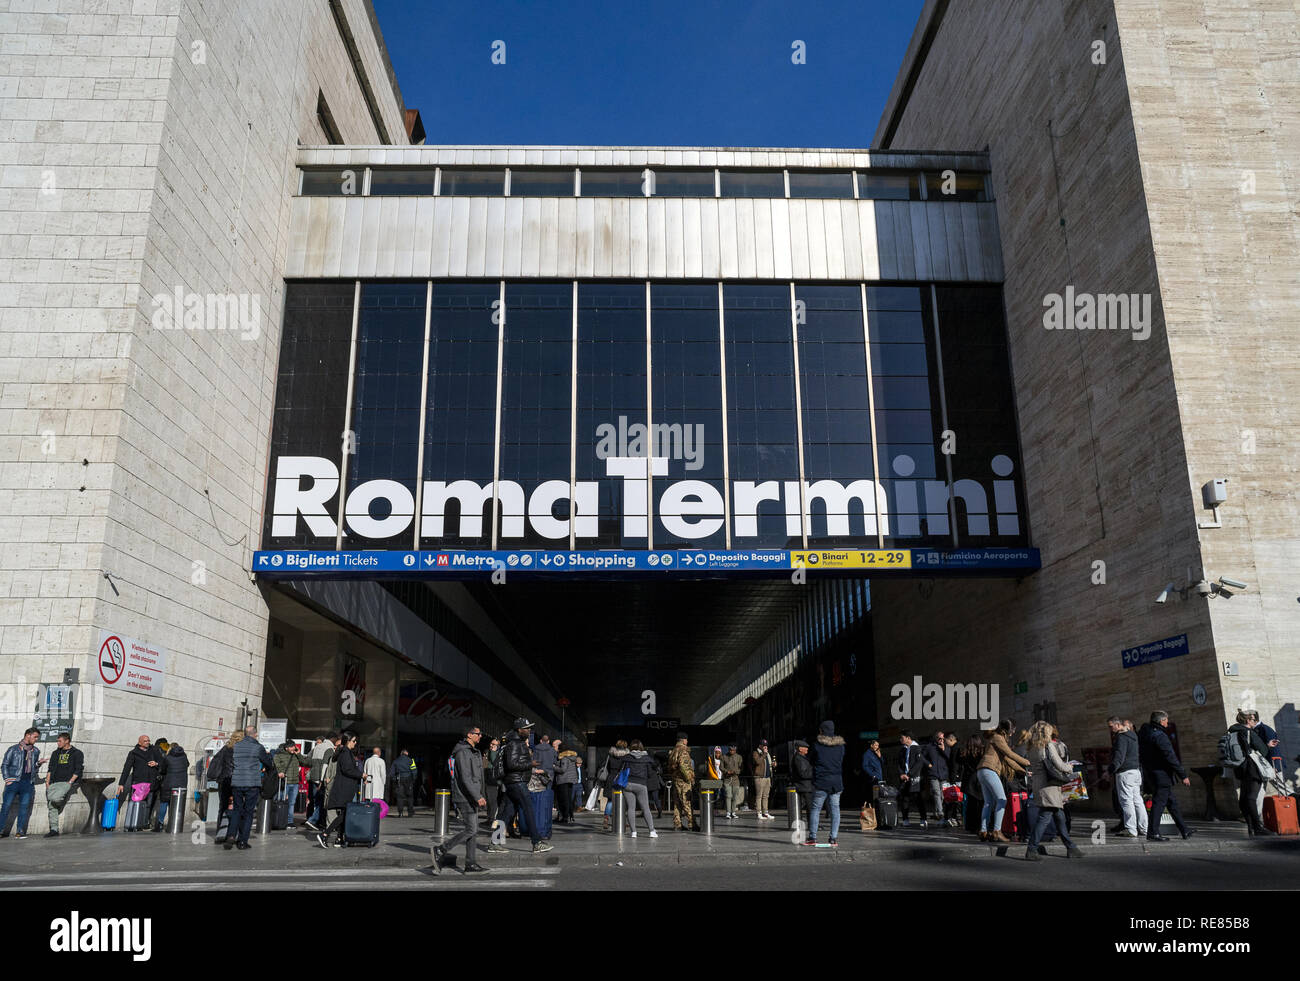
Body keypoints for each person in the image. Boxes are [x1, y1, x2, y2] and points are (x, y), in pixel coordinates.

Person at [432, 724, 489, 875]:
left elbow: (477, 777)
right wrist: (477, 796)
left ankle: (470, 864)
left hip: (472, 795)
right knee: (471, 829)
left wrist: (480, 794)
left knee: (473, 831)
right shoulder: (463, 752)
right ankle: (441, 849)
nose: (480, 736)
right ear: (470, 735)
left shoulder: (473, 751)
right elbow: (465, 778)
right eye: (478, 733)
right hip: (465, 796)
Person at [1024, 721, 1081, 860]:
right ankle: (1031, 849)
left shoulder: (1031, 747)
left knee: (1059, 815)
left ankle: (1071, 847)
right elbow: (1058, 764)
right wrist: (1070, 767)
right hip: (1049, 785)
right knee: (1044, 817)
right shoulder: (1048, 745)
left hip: (1039, 784)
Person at [1138, 710, 1193, 842]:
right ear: (1161, 721)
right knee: (1159, 803)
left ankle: (1184, 829)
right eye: (1166, 720)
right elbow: (1170, 756)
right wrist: (1183, 775)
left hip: (1151, 772)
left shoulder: (1144, 733)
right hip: (1162, 774)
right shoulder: (1160, 736)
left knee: (1171, 802)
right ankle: (1153, 832)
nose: (1167, 723)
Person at [502, 718, 551, 853]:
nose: (529, 730)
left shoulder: (517, 742)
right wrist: (531, 764)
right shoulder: (515, 743)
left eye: (530, 728)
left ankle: (494, 842)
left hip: (515, 782)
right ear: (519, 730)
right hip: (518, 782)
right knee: (528, 810)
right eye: (527, 728)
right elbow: (512, 764)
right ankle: (536, 842)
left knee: (507, 813)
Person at [976, 719, 1028, 843]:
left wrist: (1024, 771)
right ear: (1009, 729)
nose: (1013, 732)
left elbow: (1007, 759)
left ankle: (983, 831)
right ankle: (996, 831)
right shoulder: (998, 737)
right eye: (1013, 730)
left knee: (988, 803)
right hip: (989, 770)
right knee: (1002, 800)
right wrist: (1027, 762)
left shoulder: (996, 738)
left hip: (982, 770)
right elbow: (1010, 754)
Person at [1225, 710, 1273, 836]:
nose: (1254, 722)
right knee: (1251, 797)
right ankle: (1258, 827)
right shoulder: (1248, 732)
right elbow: (1263, 750)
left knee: (1244, 798)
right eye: (1253, 720)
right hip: (1252, 767)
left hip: (1240, 767)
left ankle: (1250, 827)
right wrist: (1267, 745)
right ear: (1248, 721)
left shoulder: (1233, 731)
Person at [227, 726, 274, 851]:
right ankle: (242, 841)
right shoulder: (258, 747)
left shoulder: (236, 746)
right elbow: (268, 763)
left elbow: (232, 763)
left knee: (237, 810)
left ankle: (231, 835)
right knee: (248, 813)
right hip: (252, 783)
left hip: (237, 782)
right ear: (255, 734)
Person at [318, 731, 362, 848]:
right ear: (348, 741)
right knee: (345, 813)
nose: (355, 743)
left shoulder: (345, 752)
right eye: (353, 741)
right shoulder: (346, 753)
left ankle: (339, 838)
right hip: (344, 788)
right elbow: (348, 770)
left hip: (345, 787)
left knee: (344, 813)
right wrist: (361, 775)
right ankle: (325, 834)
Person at [806, 720, 845, 846]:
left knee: (816, 809)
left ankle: (813, 837)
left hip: (821, 781)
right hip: (836, 782)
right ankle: (833, 838)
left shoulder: (817, 745)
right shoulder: (841, 746)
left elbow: (810, 760)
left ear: (821, 731)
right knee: (835, 809)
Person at [1106, 717, 1146, 838]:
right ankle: (1144, 828)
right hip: (1135, 771)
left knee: (1126, 801)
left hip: (1125, 773)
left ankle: (1131, 829)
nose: (1110, 729)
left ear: (1117, 725)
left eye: (1111, 726)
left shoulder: (1121, 737)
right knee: (1138, 801)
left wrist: (1110, 770)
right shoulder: (1133, 736)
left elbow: (1119, 757)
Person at [0, 728, 43, 839]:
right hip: (14, 782)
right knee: (6, 806)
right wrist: (7, 778)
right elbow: (5, 764)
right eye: (35, 737)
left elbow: (33, 767)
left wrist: (38, 763)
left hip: (27, 783)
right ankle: (1, 830)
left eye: (37, 737)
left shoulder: (36, 751)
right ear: (28, 735)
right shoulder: (13, 749)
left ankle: (20, 832)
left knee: (24, 808)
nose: (36, 739)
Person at [116, 734, 164, 831]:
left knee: (148, 804)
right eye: (145, 741)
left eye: (148, 741)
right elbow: (126, 769)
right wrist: (121, 784)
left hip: (151, 782)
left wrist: (156, 763)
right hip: (139, 783)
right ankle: (133, 823)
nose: (147, 742)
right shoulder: (133, 753)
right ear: (140, 742)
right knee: (135, 803)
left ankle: (144, 823)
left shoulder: (154, 751)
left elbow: (162, 762)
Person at [43, 732, 83, 838]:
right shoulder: (55, 753)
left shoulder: (76, 753)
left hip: (66, 782)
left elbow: (78, 769)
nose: (58, 743)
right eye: (57, 741)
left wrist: (70, 782)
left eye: (60, 741)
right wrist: (47, 782)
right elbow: (50, 768)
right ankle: (54, 829)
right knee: (52, 806)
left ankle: (61, 802)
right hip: (54, 782)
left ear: (67, 741)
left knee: (54, 799)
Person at [623, 740, 659, 837]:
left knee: (631, 808)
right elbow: (651, 773)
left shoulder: (627, 757)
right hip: (641, 784)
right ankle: (651, 831)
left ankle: (633, 832)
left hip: (628, 784)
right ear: (641, 747)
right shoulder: (646, 758)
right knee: (645, 808)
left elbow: (621, 769)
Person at [208, 732, 239, 844]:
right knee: (237, 807)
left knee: (223, 806)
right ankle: (232, 832)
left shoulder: (225, 749)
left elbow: (217, 762)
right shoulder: (241, 750)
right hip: (236, 781)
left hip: (224, 781)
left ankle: (220, 832)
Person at [154, 740, 190, 831]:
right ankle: (173, 824)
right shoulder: (184, 757)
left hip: (168, 784)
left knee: (164, 803)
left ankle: (160, 824)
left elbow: (162, 770)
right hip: (181, 785)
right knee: (176, 804)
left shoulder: (168, 757)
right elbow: (187, 765)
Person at [271, 741, 307, 823]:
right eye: (291, 747)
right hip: (285, 782)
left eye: (294, 746)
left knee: (292, 803)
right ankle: (278, 819)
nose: (293, 748)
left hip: (295, 783)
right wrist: (280, 772)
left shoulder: (296, 755)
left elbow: (305, 763)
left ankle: (289, 821)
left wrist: (299, 754)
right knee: (280, 801)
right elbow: (276, 765)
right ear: (286, 748)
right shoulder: (279, 755)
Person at [305, 733, 335, 830]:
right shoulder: (329, 749)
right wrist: (322, 780)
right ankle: (313, 820)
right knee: (322, 801)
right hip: (320, 778)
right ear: (333, 739)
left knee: (317, 801)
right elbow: (325, 765)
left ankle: (318, 822)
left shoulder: (317, 747)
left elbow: (309, 762)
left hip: (313, 777)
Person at [667, 733, 696, 832]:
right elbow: (684, 767)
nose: (687, 742)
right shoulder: (683, 751)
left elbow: (670, 767)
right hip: (683, 782)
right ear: (684, 740)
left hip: (676, 780)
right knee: (687, 802)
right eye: (686, 740)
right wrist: (689, 778)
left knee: (677, 804)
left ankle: (677, 824)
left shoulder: (673, 751)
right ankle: (692, 824)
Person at [920, 730, 949, 829]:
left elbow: (949, 758)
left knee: (942, 795)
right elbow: (921, 757)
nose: (941, 740)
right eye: (939, 738)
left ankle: (937, 812)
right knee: (936, 792)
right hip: (933, 774)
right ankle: (940, 813)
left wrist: (943, 749)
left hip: (943, 774)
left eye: (942, 738)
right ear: (935, 738)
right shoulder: (929, 747)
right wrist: (928, 764)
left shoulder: (946, 747)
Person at [601, 739, 630, 831]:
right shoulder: (627, 756)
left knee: (610, 800)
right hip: (621, 778)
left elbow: (606, 766)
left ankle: (606, 818)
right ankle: (622, 821)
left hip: (611, 778)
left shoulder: (610, 755)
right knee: (623, 800)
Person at [895, 731, 924, 826]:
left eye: (902, 738)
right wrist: (901, 774)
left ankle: (923, 819)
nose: (900, 740)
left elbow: (919, 764)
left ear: (908, 738)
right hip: (904, 777)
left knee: (918, 798)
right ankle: (905, 819)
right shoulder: (902, 750)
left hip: (914, 778)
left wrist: (910, 774)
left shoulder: (917, 748)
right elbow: (899, 763)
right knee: (904, 799)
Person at [553, 740, 579, 824]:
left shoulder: (564, 758)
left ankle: (565, 817)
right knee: (568, 799)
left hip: (563, 780)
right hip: (570, 780)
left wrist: (554, 767)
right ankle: (570, 816)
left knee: (564, 800)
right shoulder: (572, 757)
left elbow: (562, 770)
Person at [790, 740, 814, 829]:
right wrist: (814, 772)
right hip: (804, 786)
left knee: (810, 808)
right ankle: (812, 826)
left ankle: (812, 825)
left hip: (806, 785)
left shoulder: (802, 757)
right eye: (805, 747)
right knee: (810, 808)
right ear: (800, 749)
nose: (807, 749)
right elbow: (803, 774)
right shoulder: (798, 759)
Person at [751, 739, 775, 820]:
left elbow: (768, 764)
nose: (765, 746)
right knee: (759, 796)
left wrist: (773, 764)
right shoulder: (756, 753)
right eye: (763, 745)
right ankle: (759, 812)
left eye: (766, 745)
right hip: (759, 777)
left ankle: (766, 812)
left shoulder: (767, 754)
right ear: (759, 745)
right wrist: (764, 754)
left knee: (766, 796)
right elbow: (758, 762)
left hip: (767, 777)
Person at [391, 748, 417, 818]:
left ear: (401, 753)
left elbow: (392, 772)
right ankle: (410, 813)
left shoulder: (396, 761)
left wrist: (394, 780)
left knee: (400, 797)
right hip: (409, 779)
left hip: (399, 780)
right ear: (407, 753)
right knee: (410, 796)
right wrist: (413, 779)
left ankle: (400, 813)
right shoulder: (411, 760)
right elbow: (414, 771)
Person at [721, 744, 744, 819]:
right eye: (731, 750)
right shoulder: (724, 757)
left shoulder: (739, 757)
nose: (732, 751)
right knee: (728, 796)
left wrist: (736, 771)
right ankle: (728, 812)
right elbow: (721, 767)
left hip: (735, 779)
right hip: (727, 779)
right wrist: (727, 771)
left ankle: (733, 812)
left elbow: (741, 768)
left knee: (735, 796)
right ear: (728, 749)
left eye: (734, 750)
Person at [701, 746, 724, 817]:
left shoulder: (722, 760)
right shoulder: (710, 760)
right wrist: (715, 778)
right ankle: (712, 809)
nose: (717, 754)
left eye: (719, 753)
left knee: (719, 795)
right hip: (714, 779)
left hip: (721, 779)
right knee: (713, 795)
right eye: (716, 753)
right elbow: (710, 771)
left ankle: (718, 809)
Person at [483, 738, 501, 826]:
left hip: (494, 781)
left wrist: (494, 752)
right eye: (491, 743)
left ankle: (492, 819)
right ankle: (489, 818)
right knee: (489, 800)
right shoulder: (487, 752)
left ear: (498, 746)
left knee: (493, 801)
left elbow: (494, 763)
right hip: (487, 779)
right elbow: (484, 765)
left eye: (494, 744)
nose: (491, 745)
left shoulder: (498, 754)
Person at [861, 739, 884, 803]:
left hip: (879, 778)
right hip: (873, 779)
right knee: (875, 796)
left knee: (880, 797)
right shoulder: (867, 754)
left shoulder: (877, 753)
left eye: (878, 745)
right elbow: (865, 766)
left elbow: (883, 763)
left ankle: (878, 811)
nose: (877, 747)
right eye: (876, 745)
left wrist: (880, 756)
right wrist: (872, 775)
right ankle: (873, 811)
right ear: (871, 745)